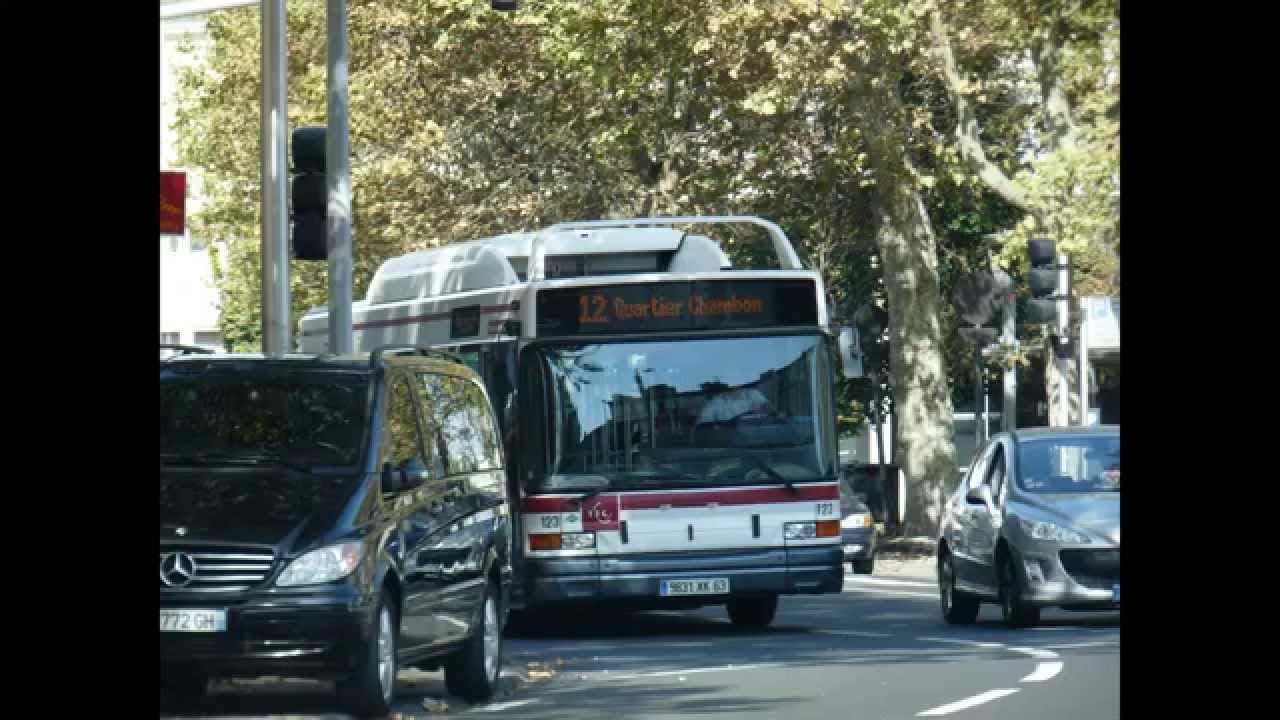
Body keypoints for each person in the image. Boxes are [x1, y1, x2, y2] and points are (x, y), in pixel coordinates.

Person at [697, 384, 772, 425]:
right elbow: (703, 426)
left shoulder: (753, 393)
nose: (734, 386)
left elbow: (770, 412)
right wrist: (718, 426)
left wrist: (761, 410)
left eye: (736, 382)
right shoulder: (714, 403)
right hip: (729, 442)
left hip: (756, 438)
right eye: (730, 383)